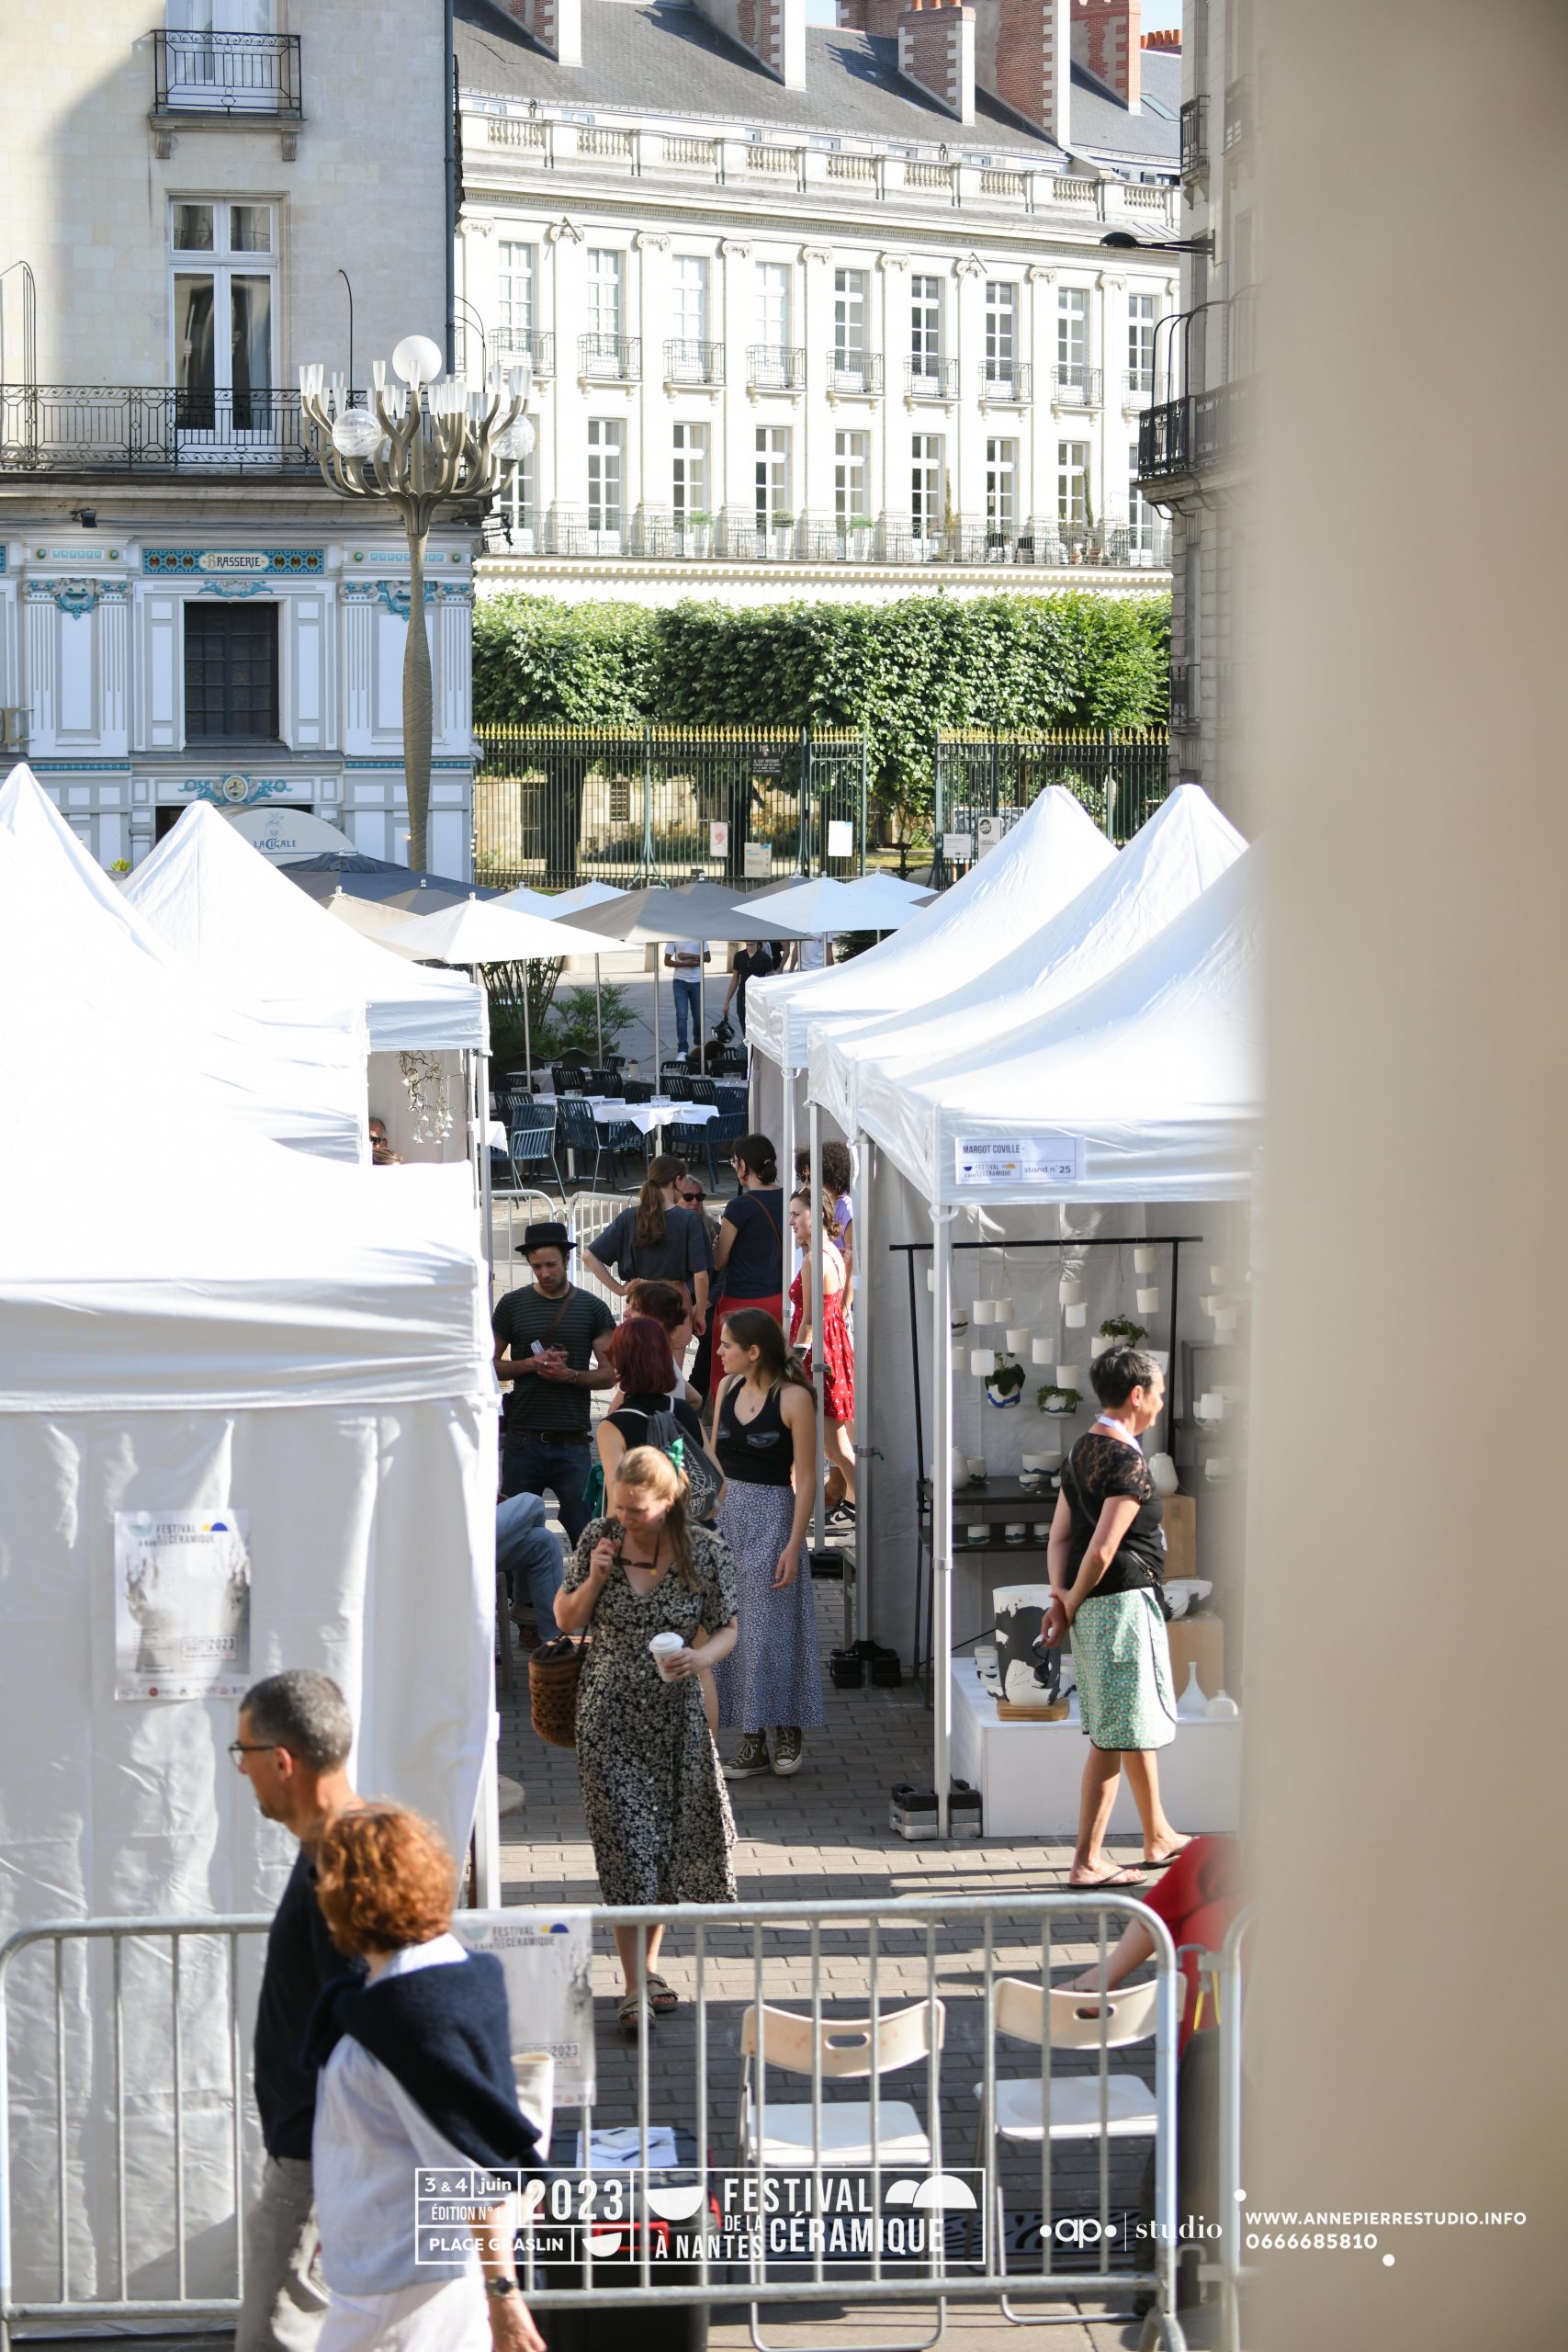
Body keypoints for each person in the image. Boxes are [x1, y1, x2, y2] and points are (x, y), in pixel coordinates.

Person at [306, 1805, 546, 2352]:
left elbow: (464, 2164)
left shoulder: (404, 2015)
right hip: (404, 2271)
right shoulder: (435, 1972)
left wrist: (503, 2296)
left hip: (400, 2285)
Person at [554, 1448, 739, 2028]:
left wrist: (699, 1655)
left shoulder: (703, 1550)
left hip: (675, 1719)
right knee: (626, 1852)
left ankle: (649, 1969)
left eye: (636, 1509)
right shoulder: (597, 1539)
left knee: (658, 1854)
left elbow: (729, 1626)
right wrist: (598, 1575)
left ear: (667, 1502)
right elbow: (564, 1617)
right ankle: (635, 1989)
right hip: (608, 1717)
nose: (623, 1517)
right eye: (618, 1504)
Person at [232, 1670, 364, 2352]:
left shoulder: (342, 1862)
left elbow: (374, 2027)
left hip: (319, 2159)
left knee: (271, 2341)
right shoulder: (339, 1850)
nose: (242, 1771)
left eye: (243, 1753)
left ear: (281, 1761)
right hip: (321, 2154)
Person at [1041, 1344, 1190, 1888]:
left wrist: (1060, 1598)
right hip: (1119, 1606)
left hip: (1099, 1606)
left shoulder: (1083, 1449)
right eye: (1159, 1392)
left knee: (1129, 1725)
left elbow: (1060, 1537)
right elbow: (1101, 1550)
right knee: (1113, 1735)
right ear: (1137, 1395)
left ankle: (1157, 1835)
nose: (1161, 1401)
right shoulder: (1127, 1460)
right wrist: (1070, 1602)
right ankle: (1086, 1861)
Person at [711, 1308, 822, 1778]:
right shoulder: (726, 1388)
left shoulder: (795, 1398)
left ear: (753, 1352)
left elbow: (809, 1479)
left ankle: (785, 1726)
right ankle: (753, 1736)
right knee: (735, 1630)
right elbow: (714, 1456)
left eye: (727, 1345)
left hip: (774, 1516)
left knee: (772, 1630)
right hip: (729, 1518)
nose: (718, 1353)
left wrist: (795, 1544)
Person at [491, 1223, 616, 1546]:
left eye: (551, 1265)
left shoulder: (593, 1308)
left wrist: (570, 1375)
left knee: (587, 1534)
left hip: (573, 1442)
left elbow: (610, 1374)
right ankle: (522, 1598)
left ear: (566, 1260)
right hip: (523, 1441)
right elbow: (486, 1365)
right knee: (514, 1534)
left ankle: (588, 1595)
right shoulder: (512, 1305)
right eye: (536, 1267)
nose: (544, 1273)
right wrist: (529, 1364)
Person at [787, 1189, 856, 1523]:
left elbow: (812, 1320)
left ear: (815, 1215)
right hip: (832, 1348)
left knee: (835, 1444)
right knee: (833, 1443)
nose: (791, 1222)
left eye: (797, 1214)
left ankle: (862, 1504)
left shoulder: (817, 1257)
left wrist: (793, 1359)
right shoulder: (829, 1251)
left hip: (820, 1355)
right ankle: (857, 1502)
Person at [582, 1158, 712, 1332]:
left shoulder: (628, 1217)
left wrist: (620, 1289)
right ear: (678, 1181)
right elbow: (701, 1276)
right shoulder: (689, 1220)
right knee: (671, 1359)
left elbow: (588, 1256)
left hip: (640, 1298)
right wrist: (700, 1313)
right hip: (674, 1299)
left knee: (641, 1357)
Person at [711, 1133, 786, 1334]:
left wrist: (716, 1248)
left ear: (743, 1165)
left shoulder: (740, 1206)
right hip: (779, 1298)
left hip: (741, 1302)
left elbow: (719, 1262)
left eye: (734, 1161)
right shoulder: (790, 1199)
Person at [495, 1492, 564, 1646]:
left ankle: (554, 1644)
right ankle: (526, 1605)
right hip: (457, 1544)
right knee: (532, 1501)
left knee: (543, 1541)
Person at [623, 1276, 700, 1405]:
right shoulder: (662, 1359)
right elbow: (696, 1399)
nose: (625, 1313)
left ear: (657, 1320)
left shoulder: (646, 1363)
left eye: (635, 1308)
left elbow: (613, 1412)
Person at [662, 936, 710, 1056]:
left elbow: (708, 958)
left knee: (698, 1016)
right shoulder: (673, 936)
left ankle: (698, 1044)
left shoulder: (700, 936)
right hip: (680, 981)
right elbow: (667, 961)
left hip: (697, 981)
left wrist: (688, 956)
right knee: (681, 1016)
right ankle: (682, 1049)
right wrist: (685, 964)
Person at [721, 940, 778, 1038]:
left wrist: (772, 1002)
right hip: (742, 999)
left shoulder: (765, 958)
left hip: (758, 1000)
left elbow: (771, 980)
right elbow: (735, 978)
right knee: (746, 1033)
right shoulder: (739, 956)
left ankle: (754, 1053)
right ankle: (748, 1052)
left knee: (758, 1033)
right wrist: (727, 1001)